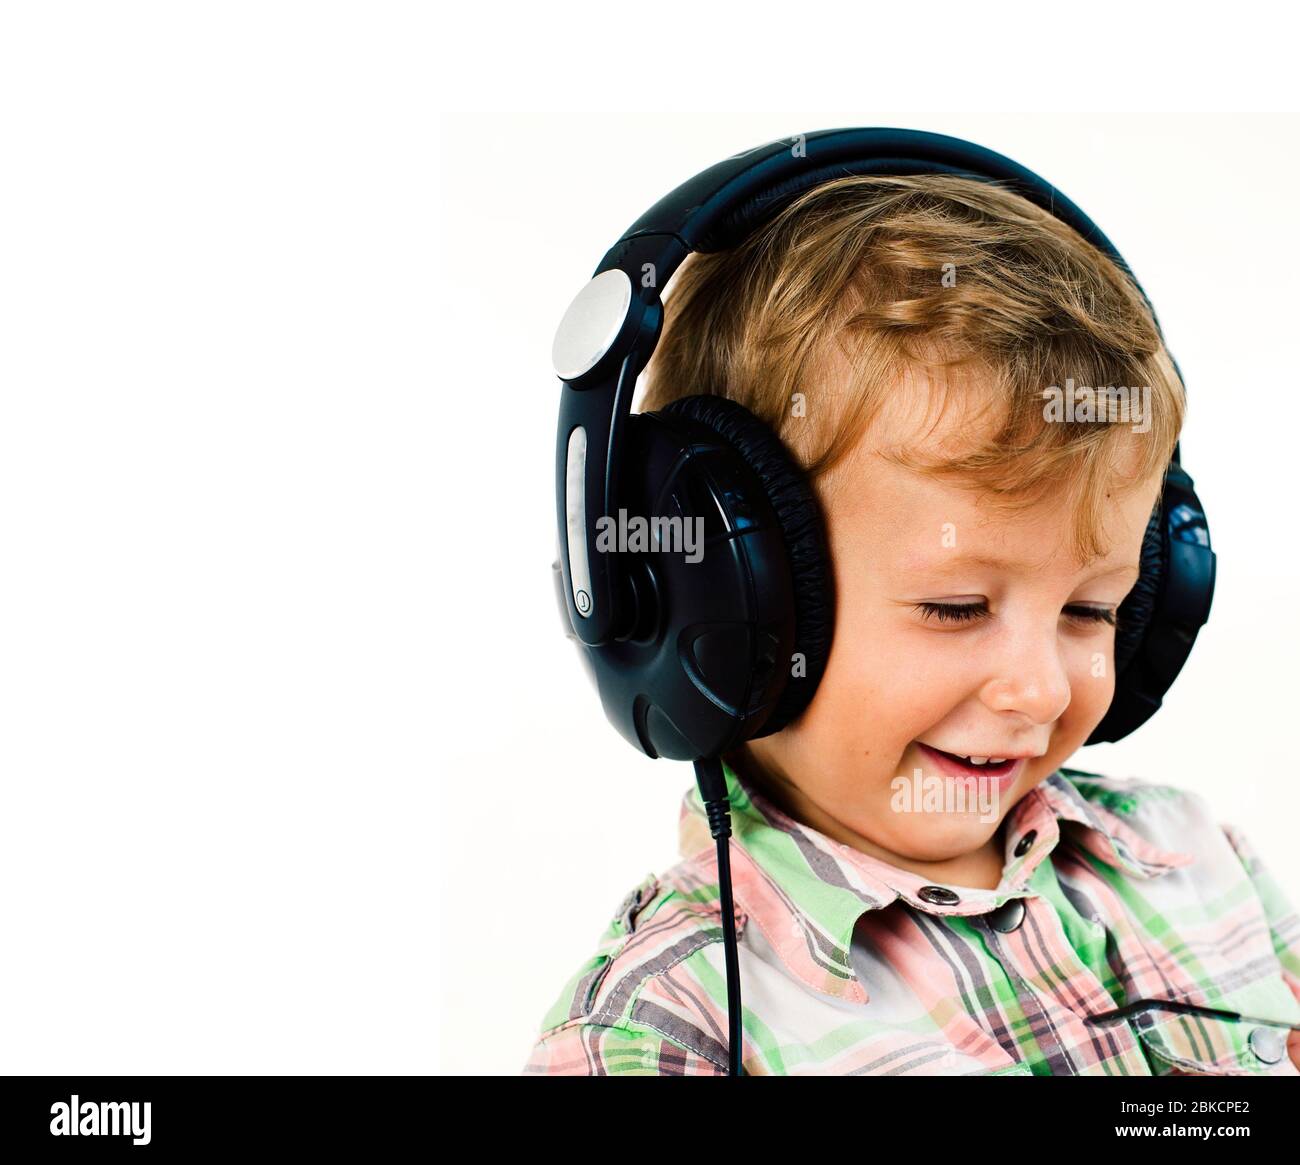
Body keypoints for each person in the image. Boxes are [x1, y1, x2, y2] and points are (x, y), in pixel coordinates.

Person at [523, 173, 1300, 1075]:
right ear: (731, 597)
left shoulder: (1198, 860)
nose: (1042, 688)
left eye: (1092, 609)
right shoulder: (661, 1031)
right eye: (956, 607)